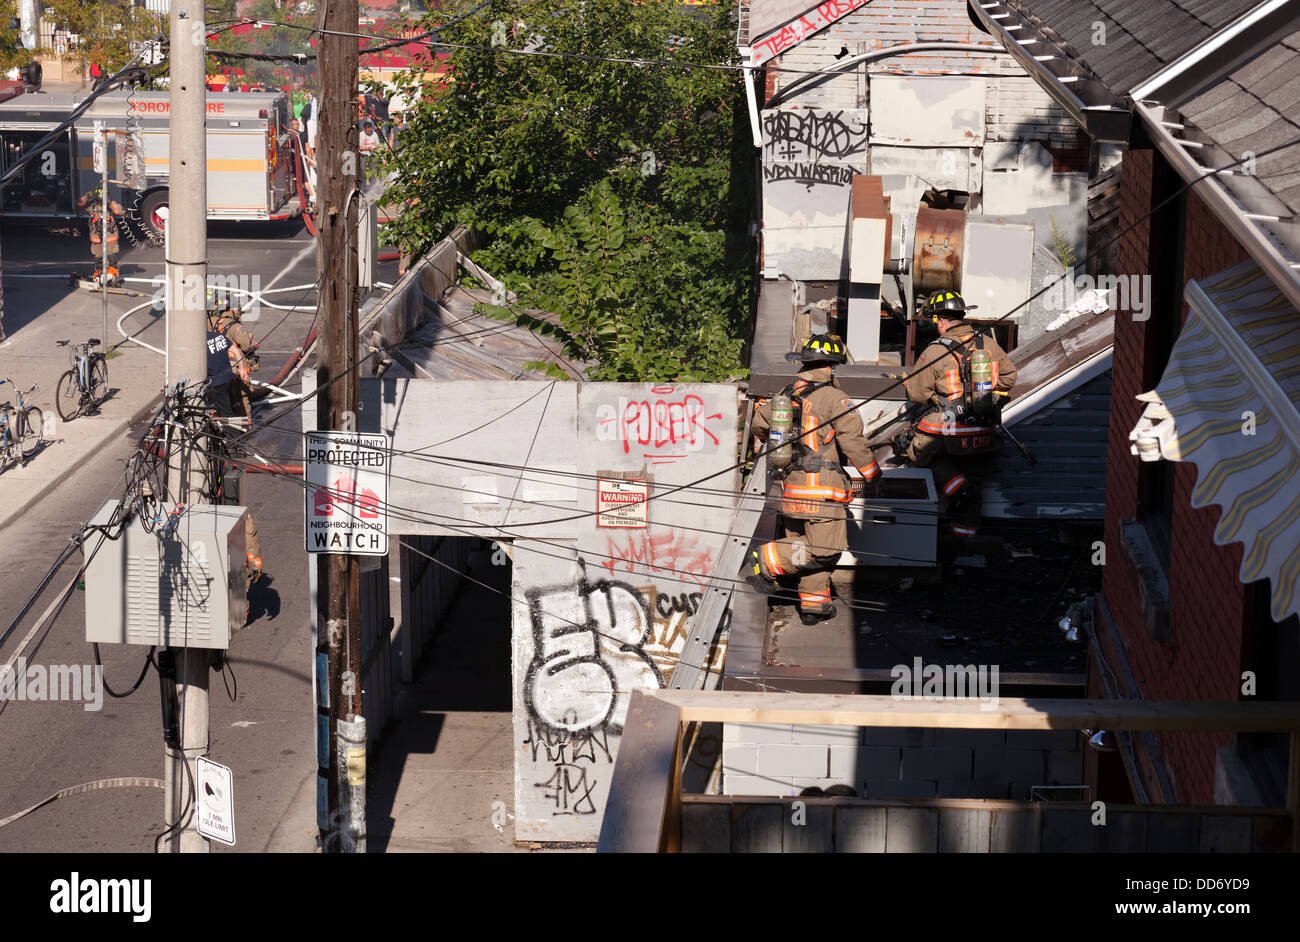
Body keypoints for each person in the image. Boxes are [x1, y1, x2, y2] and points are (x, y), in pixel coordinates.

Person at [749, 334, 883, 625]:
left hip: (792, 488)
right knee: (825, 551)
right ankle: (768, 559)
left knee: (804, 546)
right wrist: (873, 473)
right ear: (830, 367)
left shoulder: (786, 394)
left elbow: (759, 424)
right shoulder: (835, 398)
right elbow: (852, 442)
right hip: (822, 491)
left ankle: (813, 606)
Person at [896, 290, 1017, 540]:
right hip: (984, 430)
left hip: (950, 431)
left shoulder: (935, 351)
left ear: (940, 321)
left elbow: (917, 394)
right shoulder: (987, 344)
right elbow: (1009, 377)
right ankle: (964, 542)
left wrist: (935, 395)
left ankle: (956, 487)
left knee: (914, 451)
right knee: (974, 488)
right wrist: (989, 398)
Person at [206, 296, 264, 588]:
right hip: (227, 379)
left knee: (230, 410)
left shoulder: (210, 328)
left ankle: (235, 434)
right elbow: (245, 345)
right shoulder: (227, 328)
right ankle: (239, 434)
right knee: (237, 407)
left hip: (221, 378)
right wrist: (242, 366)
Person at [77, 186, 125, 279]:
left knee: (112, 258)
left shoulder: (110, 205)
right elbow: (79, 205)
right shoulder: (91, 206)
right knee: (98, 259)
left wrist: (110, 203)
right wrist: (86, 196)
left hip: (110, 237)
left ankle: (113, 275)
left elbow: (120, 211)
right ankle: (99, 275)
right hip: (97, 238)